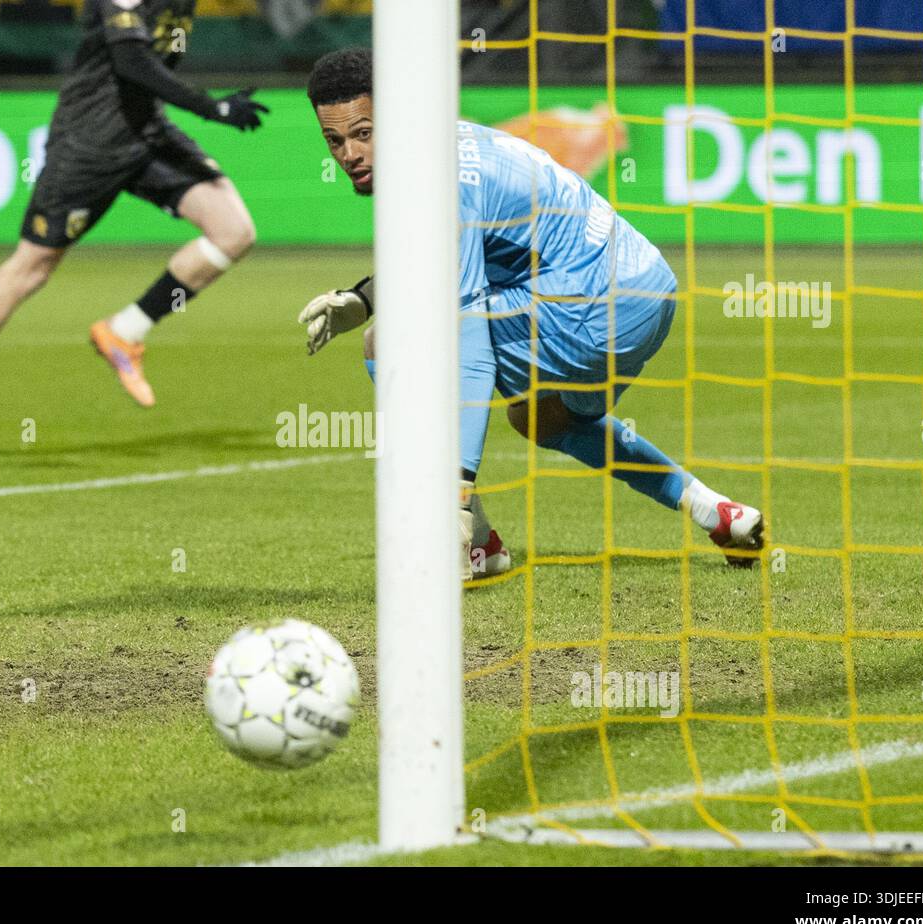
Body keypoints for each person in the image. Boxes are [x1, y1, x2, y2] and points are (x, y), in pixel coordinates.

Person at [298, 48, 764, 579]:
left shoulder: (440, 177)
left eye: (364, 133)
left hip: (589, 304)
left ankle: (464, 530)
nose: (350, 154)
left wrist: (454, 493)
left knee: (391, 342)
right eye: (334, 141)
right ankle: (717, 512)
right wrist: (361, 298)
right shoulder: (449, 143)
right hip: (645, 293)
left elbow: (467, 338)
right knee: (541, 418)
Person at [0, 0, 268, 465]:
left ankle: (125, 331)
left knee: (233, 231)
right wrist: (211, 106)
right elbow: (131, 61)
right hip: (88, 146)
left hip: (147, 134)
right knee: (31, 269)